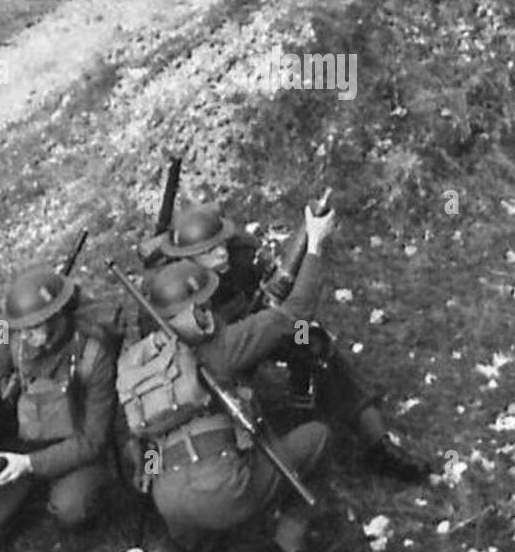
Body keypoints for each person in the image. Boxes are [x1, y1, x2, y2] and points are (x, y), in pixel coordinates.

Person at [116, 204, 343, 552]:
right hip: (222, 490)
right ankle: (290, 551)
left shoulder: (141, 357)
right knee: (318, 439)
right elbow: (297, 311)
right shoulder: (222, 346)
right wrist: (316, 244)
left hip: (166, 496)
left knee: (194, 542)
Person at [154, 202, 431, 482]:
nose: (221, 252)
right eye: (210, 250)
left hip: (260, 327)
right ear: (187, 258)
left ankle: (377, 444)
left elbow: (284, 297)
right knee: (242, 409)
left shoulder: (240, 254)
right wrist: (314, 247)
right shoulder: (168, 293)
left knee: (311, 341)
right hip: (215, 370)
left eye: (222, 243)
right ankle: (276, 463)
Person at [0, 265, 120, 552]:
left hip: (75, 444)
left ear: (57, 318)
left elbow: (94, 440)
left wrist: (28, 464)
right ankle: (30, 493)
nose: (26, 335)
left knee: (73, 509)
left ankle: (57, 488)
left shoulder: (95, 355)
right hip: (24, 436)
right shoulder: (9, 333)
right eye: (21, 328)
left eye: (34, 327)